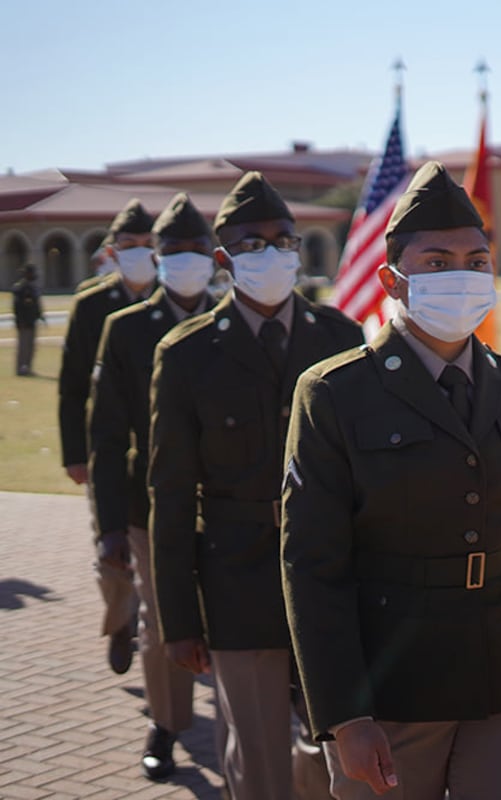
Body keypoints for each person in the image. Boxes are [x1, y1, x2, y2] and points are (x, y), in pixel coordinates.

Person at [280, 161, 501, 800]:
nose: (461, 274)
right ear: (391, 281)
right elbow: (312, 566)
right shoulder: (334, 394)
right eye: (436, 262)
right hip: (395, 680)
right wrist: (344, 715)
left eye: (476, 260)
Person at [149, 172, 362, 800]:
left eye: (283, 240)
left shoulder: (341, 338)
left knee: (339, 748)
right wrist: (178, 618)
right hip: (235, 576)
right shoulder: (185, 353)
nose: (270, 254)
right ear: (223, 259)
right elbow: (169, 492)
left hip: (331, 573)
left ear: (300, 249)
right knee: (259, 755)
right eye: (251, 245)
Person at [88, 193, 216, 780]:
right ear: (157, 256)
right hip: (151, 505)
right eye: (175, 250)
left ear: (213, 256)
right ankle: (166, 725)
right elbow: (108, 438)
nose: (186, 259)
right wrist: (109, 526)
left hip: (225, 508)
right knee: (163, 619)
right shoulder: (126, 329)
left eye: (197, 249)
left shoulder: (237, 318)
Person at [59, 198, 160, 675]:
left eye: (147, 244)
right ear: (111, 251)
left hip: (166, 452)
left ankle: (159, 624)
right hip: (109, 451)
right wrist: (74, 454)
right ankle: (122, 620)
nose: (140, 252)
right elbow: (73, 385)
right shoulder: (92, 305)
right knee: (112, 548)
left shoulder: (177, 299)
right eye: (129, 245)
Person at [12, 263, 43, 376]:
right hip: (24, 322)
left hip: (32, 321)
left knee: (31, 346)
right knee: (23, 346)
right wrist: (20, 321)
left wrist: (40, 315)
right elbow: (18, 307)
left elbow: (36, 304)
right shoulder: (20, 288)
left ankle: (28, 367)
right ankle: (21, 368)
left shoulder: (33, 287)